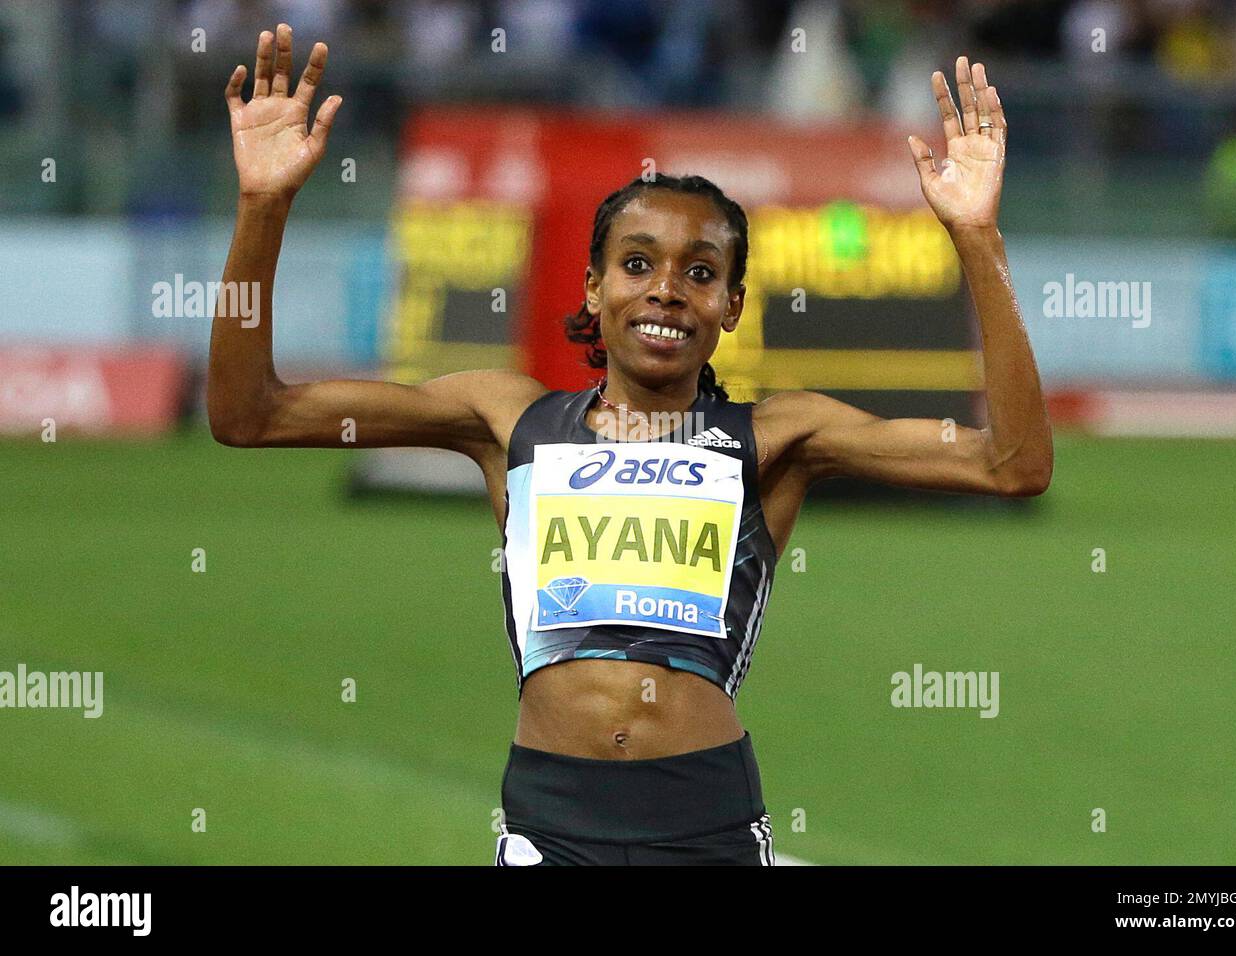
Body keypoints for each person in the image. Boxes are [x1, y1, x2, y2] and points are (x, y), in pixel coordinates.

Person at [208, 23, 1052, 866]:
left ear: (731, 304)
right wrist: (263, 205)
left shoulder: (778, 437)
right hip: (550, 821)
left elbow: (1013, 464)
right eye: (638, 263)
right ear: (593, 286)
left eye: (699, 272)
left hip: (705, 821)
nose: (667, 291)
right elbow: (251, 414)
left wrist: (977, 237)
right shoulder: (510, 420)